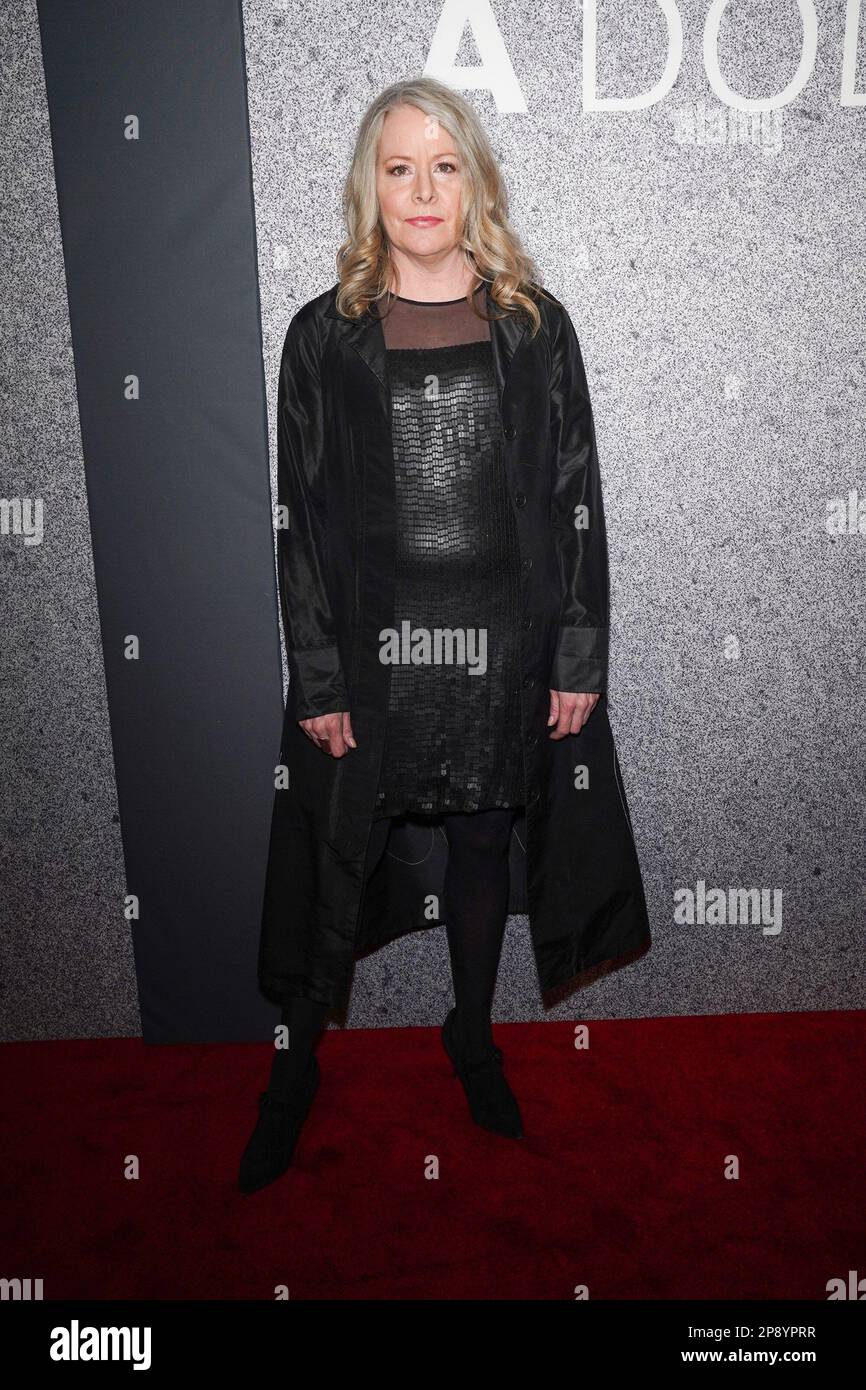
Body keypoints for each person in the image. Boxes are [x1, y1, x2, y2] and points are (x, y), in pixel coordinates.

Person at [239, 76, 649, 1195]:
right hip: (368, 658)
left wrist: (574, 653)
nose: (420, 188)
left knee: (482, 845)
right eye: (397, 166)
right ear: (368, 186)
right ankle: (292, 1072)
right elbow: (303, 521)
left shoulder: (532, 324)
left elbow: (576, 498)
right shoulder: (321, 337)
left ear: (473, 179)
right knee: (327, 863)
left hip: (499, 648)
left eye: (443, 163)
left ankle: (469, 1033)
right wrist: (317, 675)